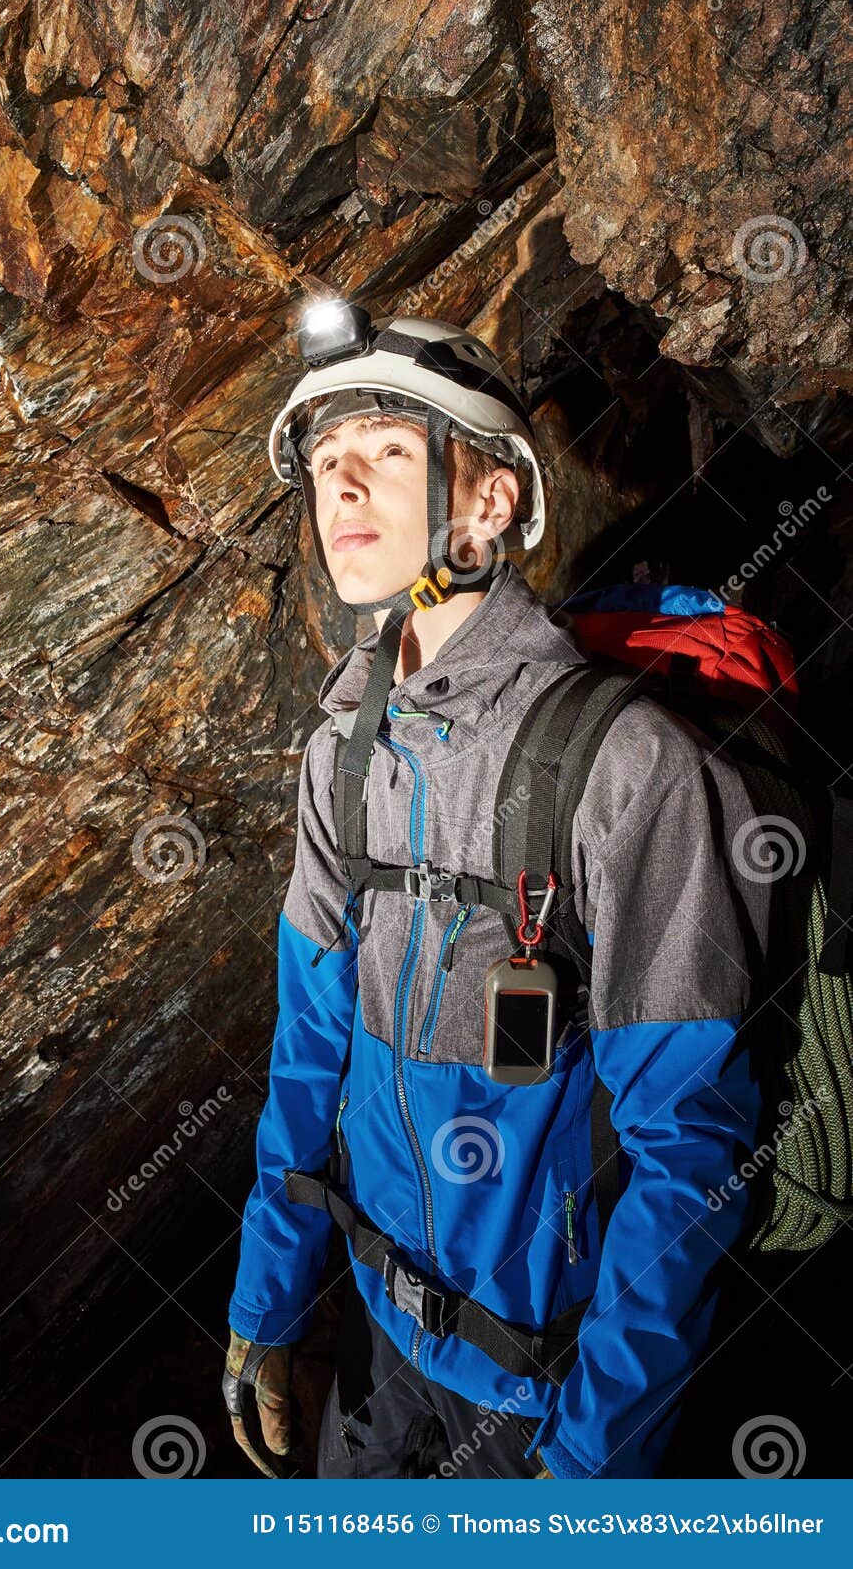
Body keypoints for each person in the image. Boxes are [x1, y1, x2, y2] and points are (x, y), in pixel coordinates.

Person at [222, 305, 769, 1480]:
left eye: (387, 453)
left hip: (544, 1404)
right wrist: (267, 1301)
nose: (343, 489)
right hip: (376, 1357)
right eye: (325, 466)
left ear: (489, 504)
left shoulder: (629, 770)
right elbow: (311, 1043)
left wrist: (586, 1472)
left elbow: (690, 1155)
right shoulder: (342, 751)